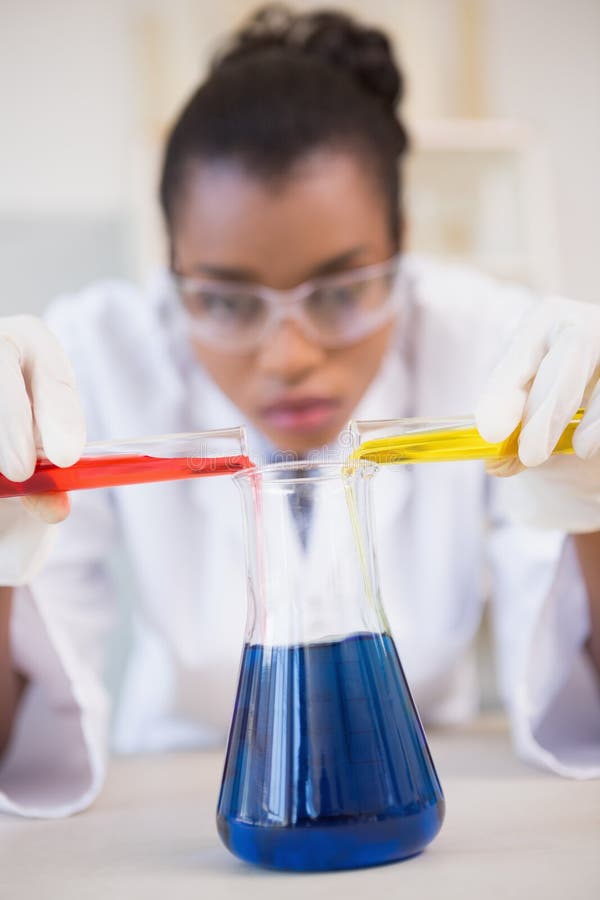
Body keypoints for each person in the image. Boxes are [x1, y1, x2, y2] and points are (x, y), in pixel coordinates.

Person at [1, 5, 599, 818]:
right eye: (226, 300)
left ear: (402, 247)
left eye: (342, 290)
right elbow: (18, 749)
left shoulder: (491, 345)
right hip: (168, 796)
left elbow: (582, 705)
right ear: (171, 271)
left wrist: (595, 515)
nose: (287, 357)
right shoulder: (91, 357)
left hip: (432, 767)